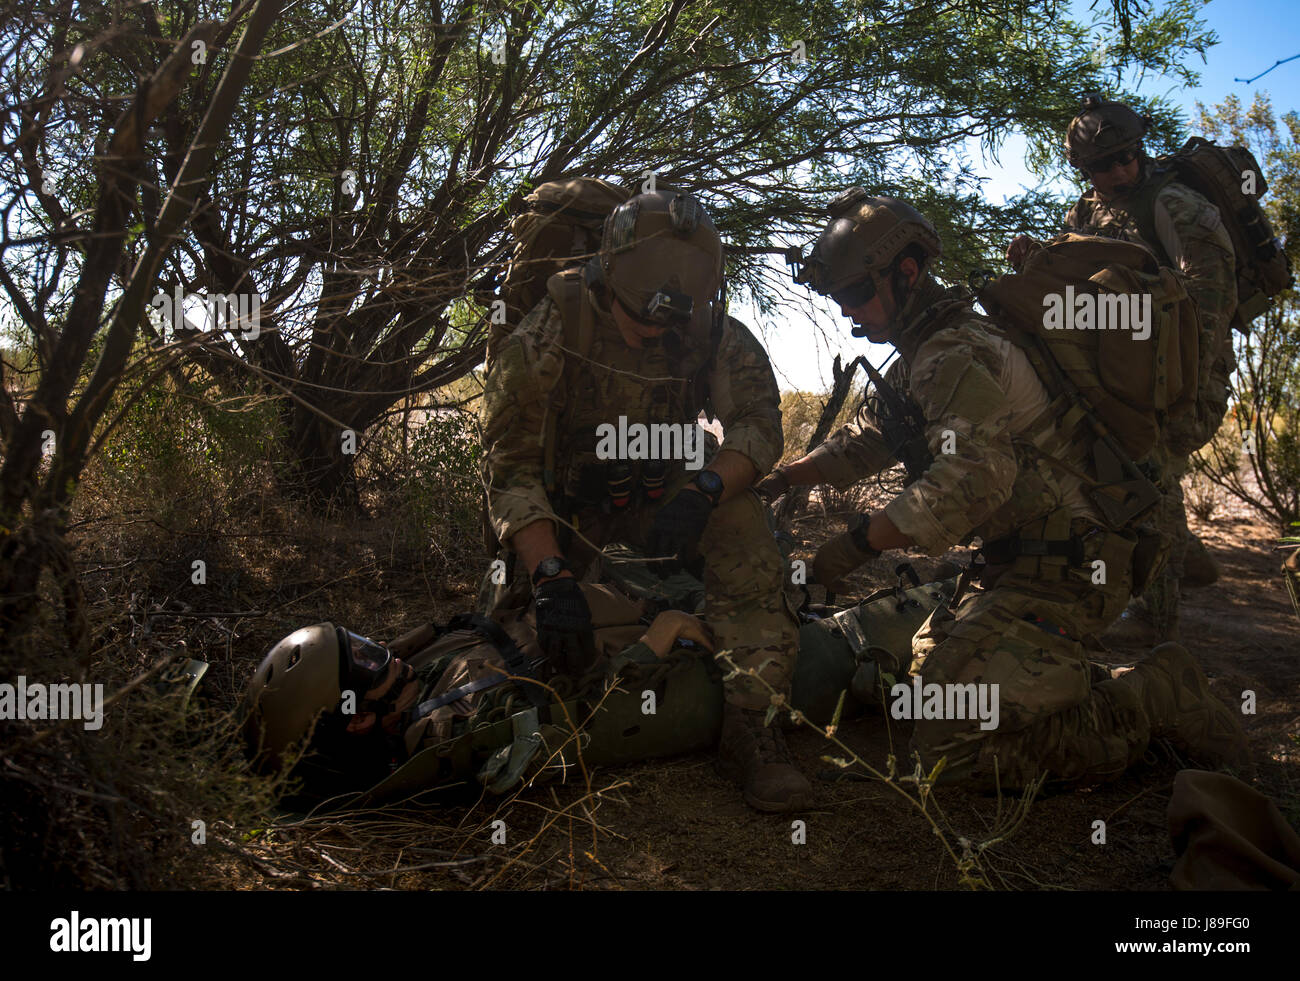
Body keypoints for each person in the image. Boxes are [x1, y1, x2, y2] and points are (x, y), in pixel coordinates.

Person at [762, 189, 1246, 791]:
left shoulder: (950, 351)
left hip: (1076, 564)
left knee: (954, 742)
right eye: (839, 298)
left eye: (857, 294)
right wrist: (782, 476)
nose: (848, 312)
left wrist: (849, 550)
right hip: (1023, 563)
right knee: (923, 696)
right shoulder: (926, 352)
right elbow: (867, 442)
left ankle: (1156, 693)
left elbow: (973, 476)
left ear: (907, 273)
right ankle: (1064, 681)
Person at [478, 187, 809, 811]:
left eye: (668, 322)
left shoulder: (709, 329)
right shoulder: (551, 328)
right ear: (607, 278)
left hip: (667, 489)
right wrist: (549, 575)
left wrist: (707, 491)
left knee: (747, 536)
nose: (652, 333)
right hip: (565, 500)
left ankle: (755, 729)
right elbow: (511, 467)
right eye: (640, 317)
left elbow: (760, 423)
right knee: (523, 635)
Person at [1008, 96, 1239, 638]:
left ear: (1141, 151)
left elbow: (1213, 295)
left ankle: (1157, 619)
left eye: (1126, 158)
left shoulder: (1176, 204)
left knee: (1149, 465)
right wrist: (1038, 258)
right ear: (1083, 169)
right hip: (1125, 365)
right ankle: (1183, 558)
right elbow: (1084, 283)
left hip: (1185, 368)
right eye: (1101, 165)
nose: (1117, 172)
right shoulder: (1087, 212)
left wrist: (1179, 377)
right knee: (1113, 465)